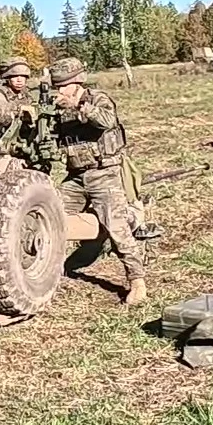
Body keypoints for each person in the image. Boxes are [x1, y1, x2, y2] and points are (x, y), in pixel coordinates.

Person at [47, 57, 149, 305]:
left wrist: (78, 105)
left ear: (78, 82)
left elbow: (106, 121)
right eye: (57, 86)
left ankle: (137, 281)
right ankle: (49, 270)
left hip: (105, 173)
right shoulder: (58, 106)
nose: (60, 91)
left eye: (64, 85)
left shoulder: (97, 99)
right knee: (50, 214)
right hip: (75, 177)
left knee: (118, 226)